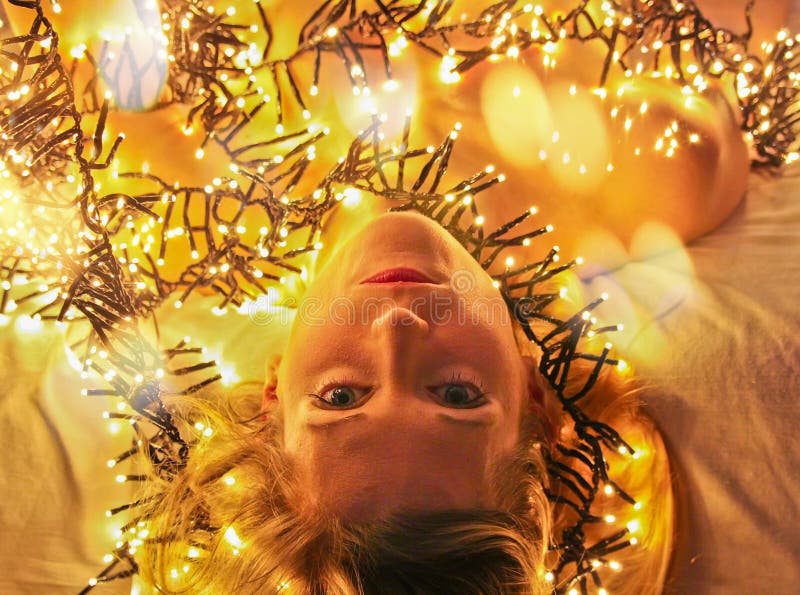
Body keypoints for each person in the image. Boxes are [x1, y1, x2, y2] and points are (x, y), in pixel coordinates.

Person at [138, 211, 673, 594]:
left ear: (273, 391)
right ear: (533, 394)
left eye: (341, 397)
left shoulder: (193, 239)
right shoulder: (604, 205)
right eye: (458, 395)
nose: (397, 330)